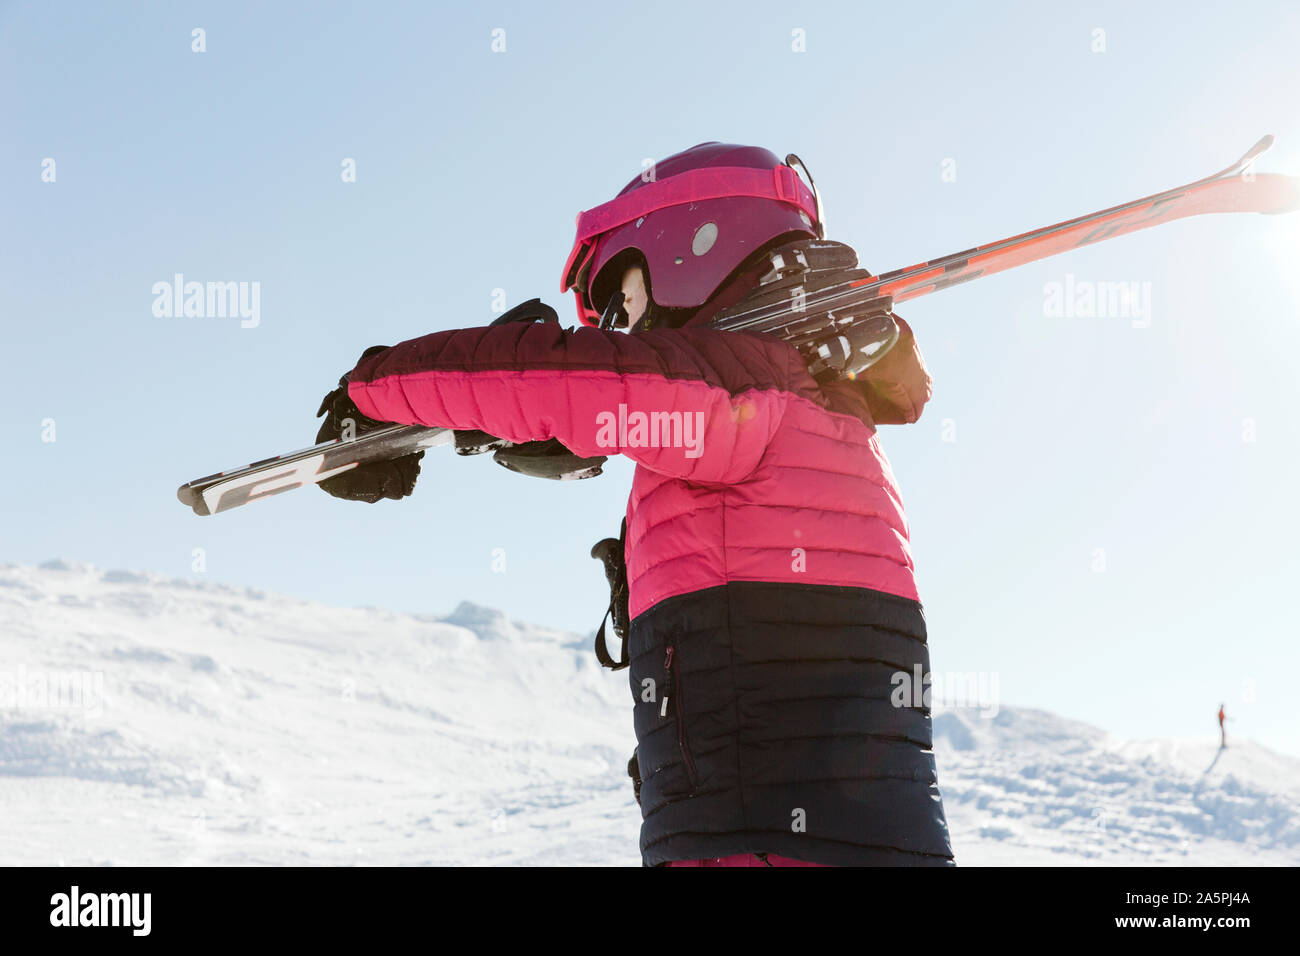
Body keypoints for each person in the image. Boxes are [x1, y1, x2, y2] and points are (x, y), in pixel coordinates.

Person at [314, 143, 955, 867]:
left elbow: (564, 379)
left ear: (691, 252)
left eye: (623, 299)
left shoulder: (742, 395)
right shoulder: (824, 418)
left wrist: (374, 391)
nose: (619, 326)